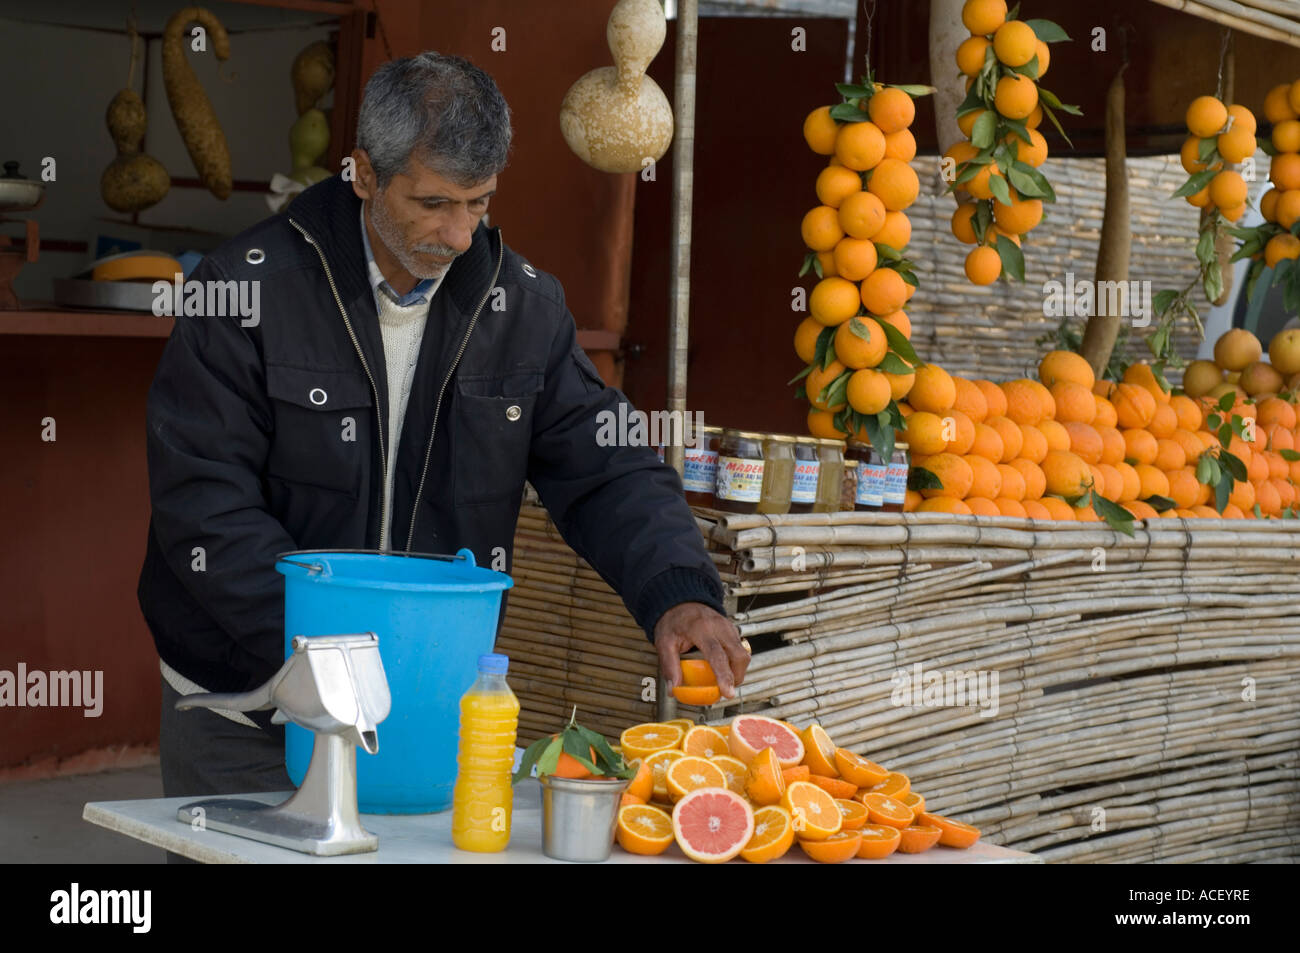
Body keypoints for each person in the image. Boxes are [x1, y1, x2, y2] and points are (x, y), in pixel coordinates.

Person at [138, 51, 748, 803]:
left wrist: (678, 591)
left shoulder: (521, 309)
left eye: (478, 204)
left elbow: (608, 466)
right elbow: (205, 502)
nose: (458, 236)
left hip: (430, 707)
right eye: (431, 204)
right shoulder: (244, 292)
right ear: (362, 173)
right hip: (253, 706)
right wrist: (335, 661)